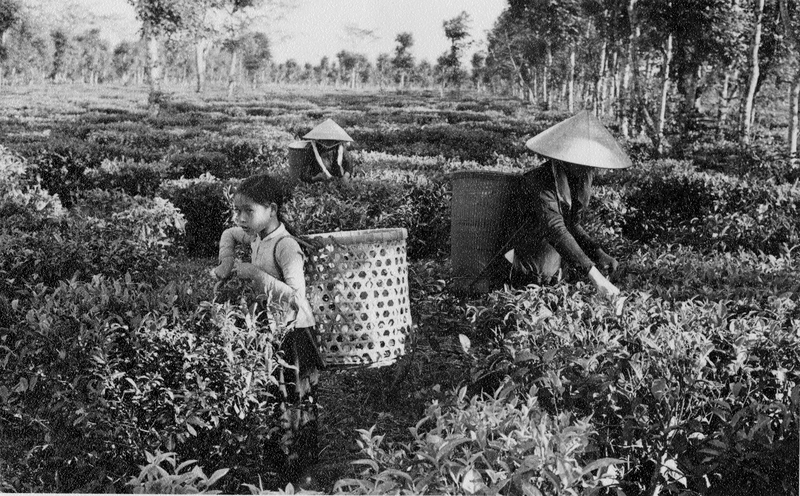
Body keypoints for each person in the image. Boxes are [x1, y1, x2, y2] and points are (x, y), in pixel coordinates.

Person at [210, 174, 324, 483]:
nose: (240, 218)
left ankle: (303, 474)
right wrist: (226, 263)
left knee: (298, 401)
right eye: (237, 210)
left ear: (271, 209)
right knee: (275, 394)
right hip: (273, 331)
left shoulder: (285, 246)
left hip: (296, 334)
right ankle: (280, 465)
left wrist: (255, 275)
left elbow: (298, 299)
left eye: (247, 210)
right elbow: (228, 234)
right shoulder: (256, 235)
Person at [507, 110, 631, 297]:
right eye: (584, 162)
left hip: (551, 270)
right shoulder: (538, 181)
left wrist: (598, 254)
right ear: (566, 157)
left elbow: (572, 225)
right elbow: (556, 228)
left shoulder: (574, 178)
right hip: (523, 270)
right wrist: (596, 278)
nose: (589, 168)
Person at [295, 118, 354, 182]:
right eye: (325, 139)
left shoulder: (339, 147)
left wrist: (346, 176)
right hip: (319, 185)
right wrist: (315, 178)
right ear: (320, 138)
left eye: (331, 140)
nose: (328, 142)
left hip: (338, 181)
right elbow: (303, 175)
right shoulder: (312, 149)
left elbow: (349, 165)